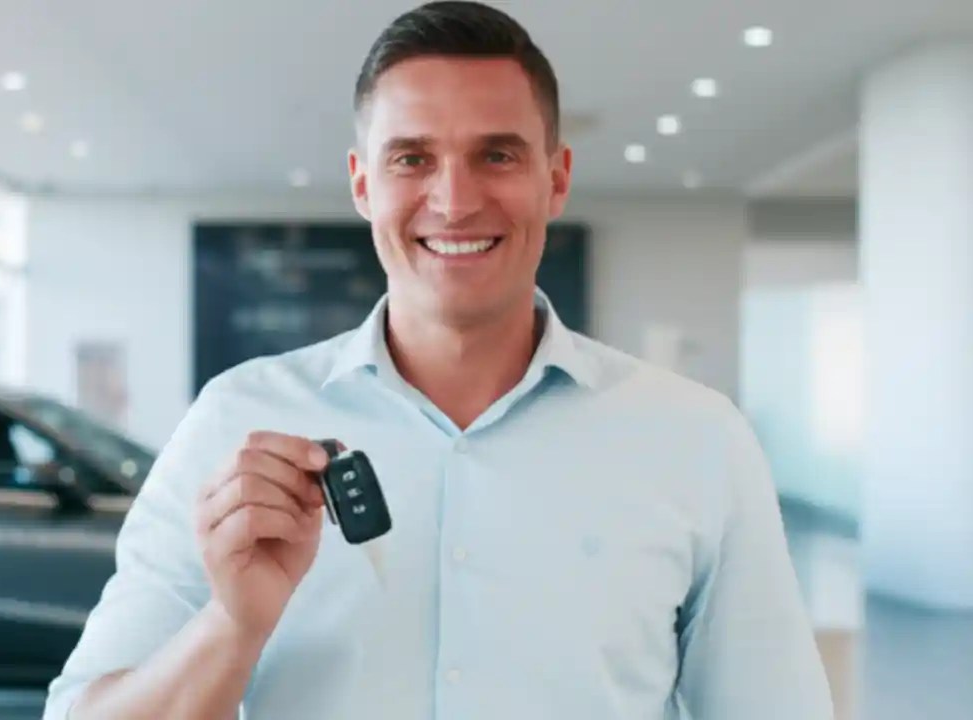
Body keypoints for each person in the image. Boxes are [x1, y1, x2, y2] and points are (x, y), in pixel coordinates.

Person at [42, 2, 834, 718]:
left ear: (555, 179)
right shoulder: (237, 423)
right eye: (412, 158)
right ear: (362, 183)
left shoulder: (696, 439)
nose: (454, 201)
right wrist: (232, 625)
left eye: (497, 155)